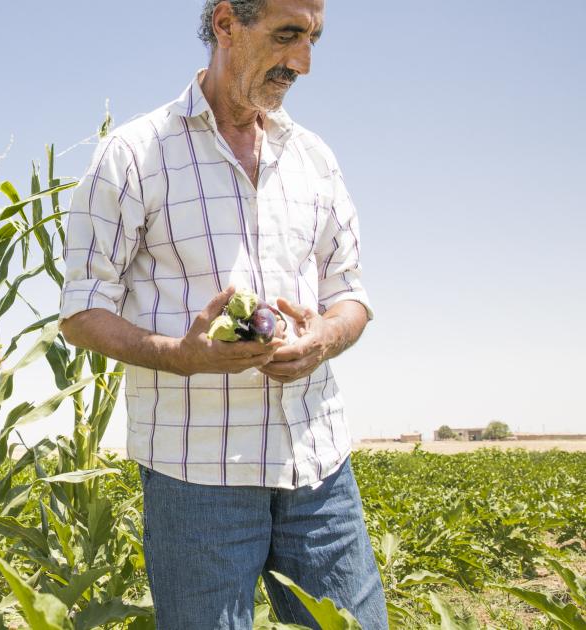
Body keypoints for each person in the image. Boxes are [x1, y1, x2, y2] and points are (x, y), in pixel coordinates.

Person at [56, 0, 388, 627]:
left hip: (318, 463)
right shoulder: (133, 155)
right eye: (289, 36)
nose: (304, 62)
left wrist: (324, 336)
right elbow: (81, 311)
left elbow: (352, 295)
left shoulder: (315, 158)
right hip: (195, 475)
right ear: (227, 23)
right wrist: (181, 357)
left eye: (313, 39)